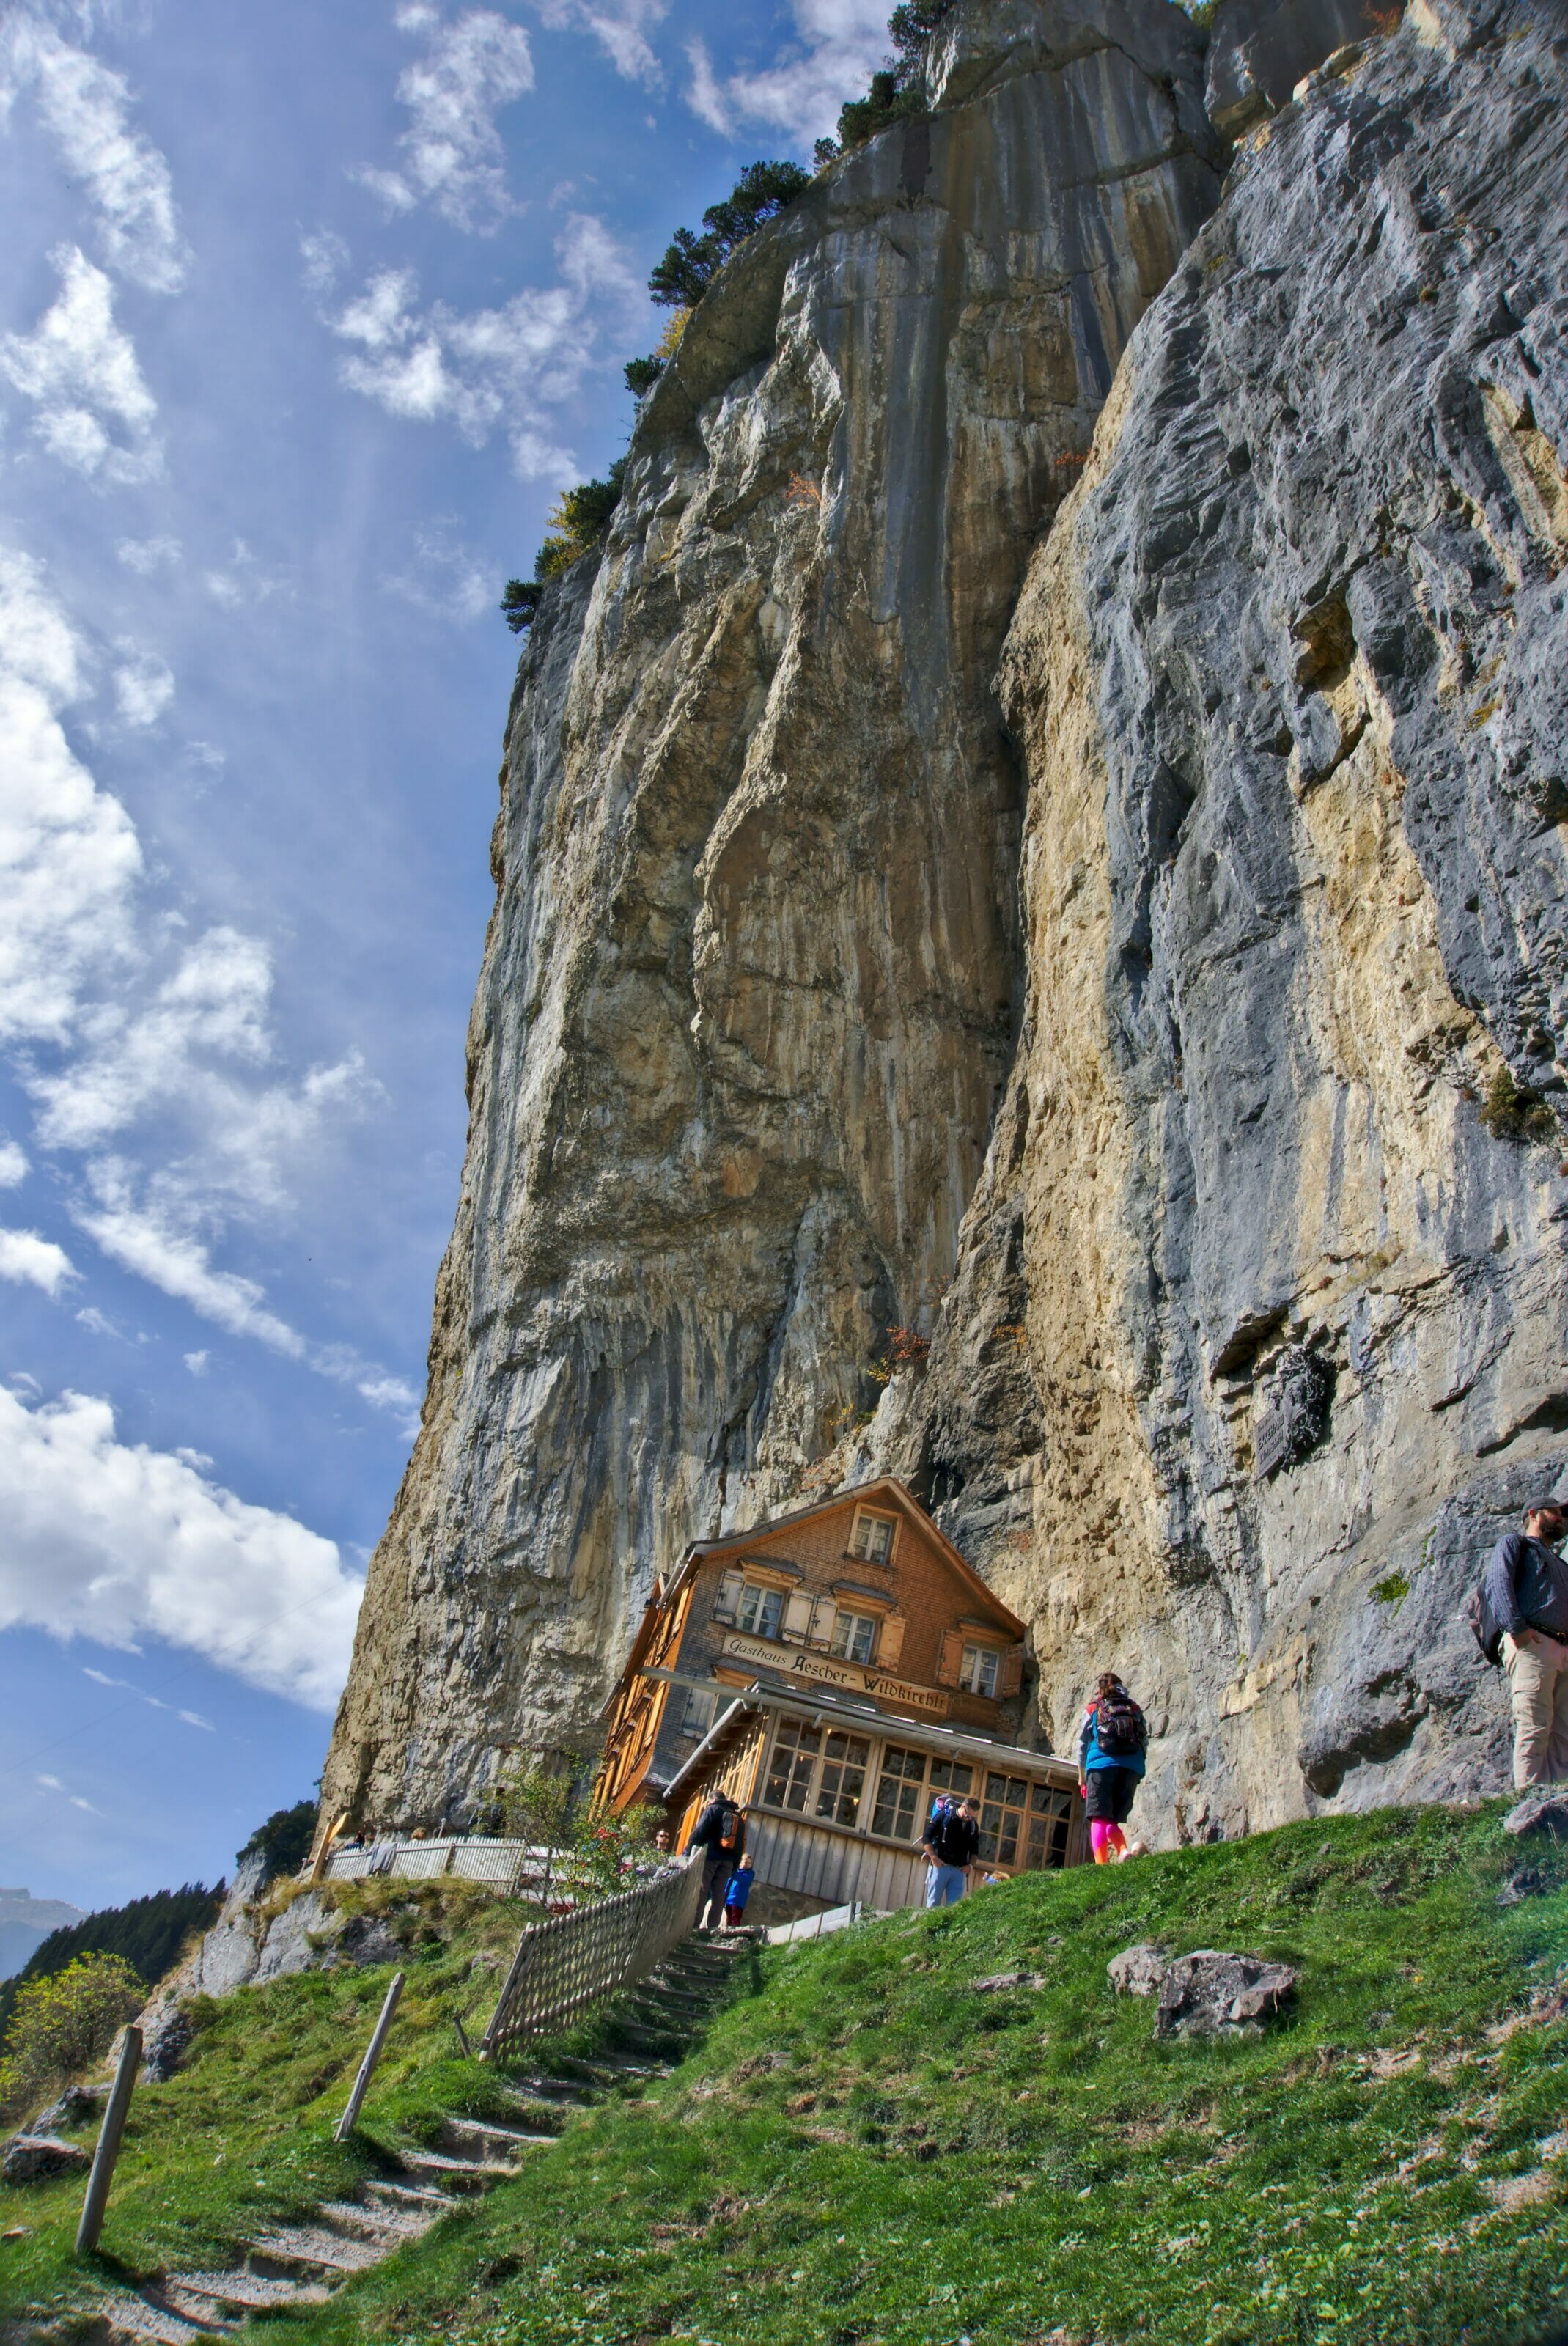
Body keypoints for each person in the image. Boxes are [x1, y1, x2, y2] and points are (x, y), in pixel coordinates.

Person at [1484, 1500, 1568, 1787]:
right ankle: (1529, 1801)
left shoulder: (1559, 1562)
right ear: (1533, 1514)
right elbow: (1498, 1583)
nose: (1560, 1518)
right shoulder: (1515, 1544)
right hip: (1532, 1643)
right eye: (1554, 1512)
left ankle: (1555, 1807)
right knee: (1534, 1721)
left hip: (1562, 1648)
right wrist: (1518, 1630)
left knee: (1564, 1731)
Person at [1077, 1672, 1147, 1863]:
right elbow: (1144, 1740)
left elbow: (1083, 1744)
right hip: (1131, 1768)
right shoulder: (1134, 1708)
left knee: (1098, 1818)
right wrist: (1138, 1770)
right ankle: (1123, 1852)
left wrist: (1082, 1776)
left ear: (1100, 1689)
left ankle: (1102, 1866)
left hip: (1101, 1765)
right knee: (1111, 1819)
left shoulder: (1094, 1707)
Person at [687, 1792, 745, 1932]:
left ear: (713, 1799)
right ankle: (713, 1927)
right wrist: (735, 1865)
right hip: (729, 1861)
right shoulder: (736, 1815)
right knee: (719, 1893)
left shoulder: (712, 1810)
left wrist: (688, 1852)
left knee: (702, 1888)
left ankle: (695, 1924)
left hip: (711, 1857)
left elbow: (699, 1832)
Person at [921, 1794, 979, 1905]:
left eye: (972, 1817)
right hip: (941, 1866)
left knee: (953, 1908)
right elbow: (926, 1837)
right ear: (962, 1807)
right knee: (933, 1904)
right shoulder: (945, 1816)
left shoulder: (973, 1826)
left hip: (960, 1870)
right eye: (967, 1815)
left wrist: (970, 1866)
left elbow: (975, 1850)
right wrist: (933, 1857)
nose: (969, 1819)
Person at [723, 1858, 754, 1930]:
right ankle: (728, 1931)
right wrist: (725, 1894)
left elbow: (743, 1880)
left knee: (735, 1918)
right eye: (745, 1862)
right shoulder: (735, 1873)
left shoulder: (749, 1874)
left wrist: (733, 1874)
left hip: (738, 1901)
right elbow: (728, 1884)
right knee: (729, 1918)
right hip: (729, 1899)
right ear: (740, 1863)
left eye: (749, 1863)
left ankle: (734, 1932)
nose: (747, 1864)